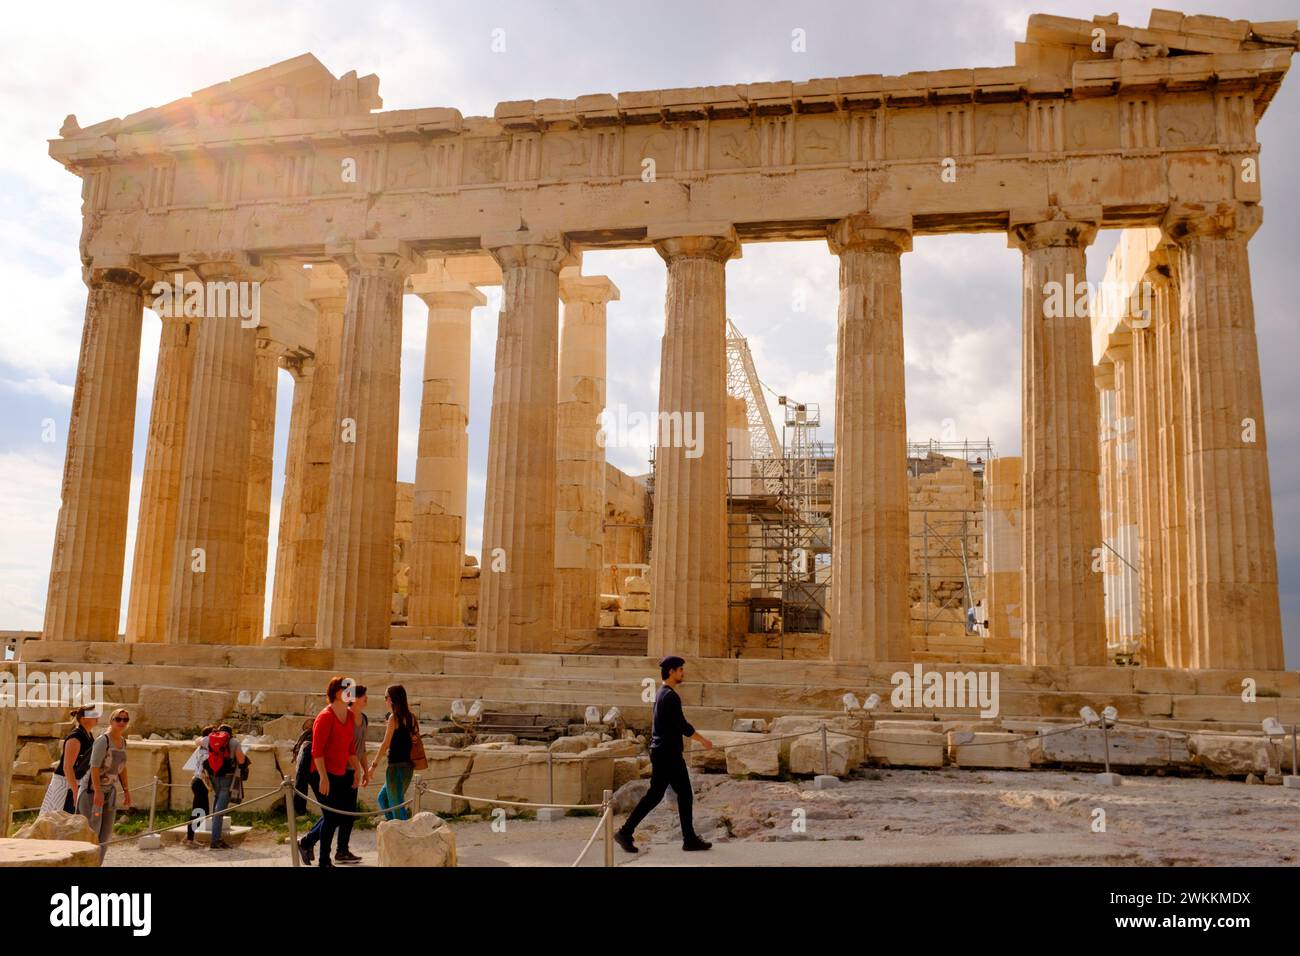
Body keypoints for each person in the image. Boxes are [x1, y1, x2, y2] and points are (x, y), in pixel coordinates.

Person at [615, 656, 714, 854]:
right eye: (680, 670)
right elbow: (683, 726)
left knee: (655, 795)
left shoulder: (661, 694)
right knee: (684, 794)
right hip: (668, 753)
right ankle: (689, 839)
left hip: (660, 751)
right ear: (671, 671)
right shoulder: (670, 696)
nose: (683, 673)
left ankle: (625, 832)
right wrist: (703, 740)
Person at [299, 677, 364, 868]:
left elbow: (350, 747)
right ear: (337, 693)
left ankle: (306, 843)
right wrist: (323, 778)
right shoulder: (325, 716)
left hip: (339, 770)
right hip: (318, 771)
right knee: (331, 817)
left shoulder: (350, 716)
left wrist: (357, 769)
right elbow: (317, 751)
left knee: (341, 815)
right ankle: (323, 861)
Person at [77, 707, 132, 863]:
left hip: (110, 792)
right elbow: (94, 767)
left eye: (125, 719)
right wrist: (98, 792)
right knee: (92, 832)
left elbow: (122, 768)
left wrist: (127, 790)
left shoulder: (123, 742)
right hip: (92, 792)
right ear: (111, 721)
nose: (122, 722)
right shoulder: (103, 740)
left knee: (106, 834)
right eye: (118, 719)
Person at [371, 684, 419, 821]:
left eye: (386, 697)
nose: (385, 700)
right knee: (383, 799)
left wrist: (372, 766)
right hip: (408, 767)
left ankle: (402, 834)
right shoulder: (412, 717)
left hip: (395, 768)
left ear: (392, 699)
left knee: (396, 806)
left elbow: (385, 744)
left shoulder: (394, 718)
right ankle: (394, 828)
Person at [334, 686, 370, 863]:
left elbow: (362, 748)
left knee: (348, 813)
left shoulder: (364, 719)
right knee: (335, 814)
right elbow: (344, 747)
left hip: (353, 771)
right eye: (363, 696)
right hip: (340, 770)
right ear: (354, 699)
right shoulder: (344, 717)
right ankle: (309, 841)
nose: (366, 698)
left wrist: (365, 770)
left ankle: (342, 850)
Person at [197, 723, 247, 850]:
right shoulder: (234, 742)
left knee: (216, 801)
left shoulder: (209, 739)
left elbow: (197, 741)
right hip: (227, 777)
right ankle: (215, 841)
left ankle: (216, 838)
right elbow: (241, 760)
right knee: (220, 811)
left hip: (213, 775)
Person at [40, 706, 97, 815]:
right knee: (59, 819)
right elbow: (67, 767)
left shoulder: (88, 735)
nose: (97, 717)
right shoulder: (75, 738)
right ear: (83, 719)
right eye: (93, 715)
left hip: (76, 783)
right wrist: (76, 792)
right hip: (65, 784)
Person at [184, 725, 216, 844]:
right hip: (199, 782)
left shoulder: (203, 747)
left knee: (203, 812)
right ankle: (189, 839)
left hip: (198, 782)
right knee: (197, 811)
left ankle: (189, 836)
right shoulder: (207, 745)